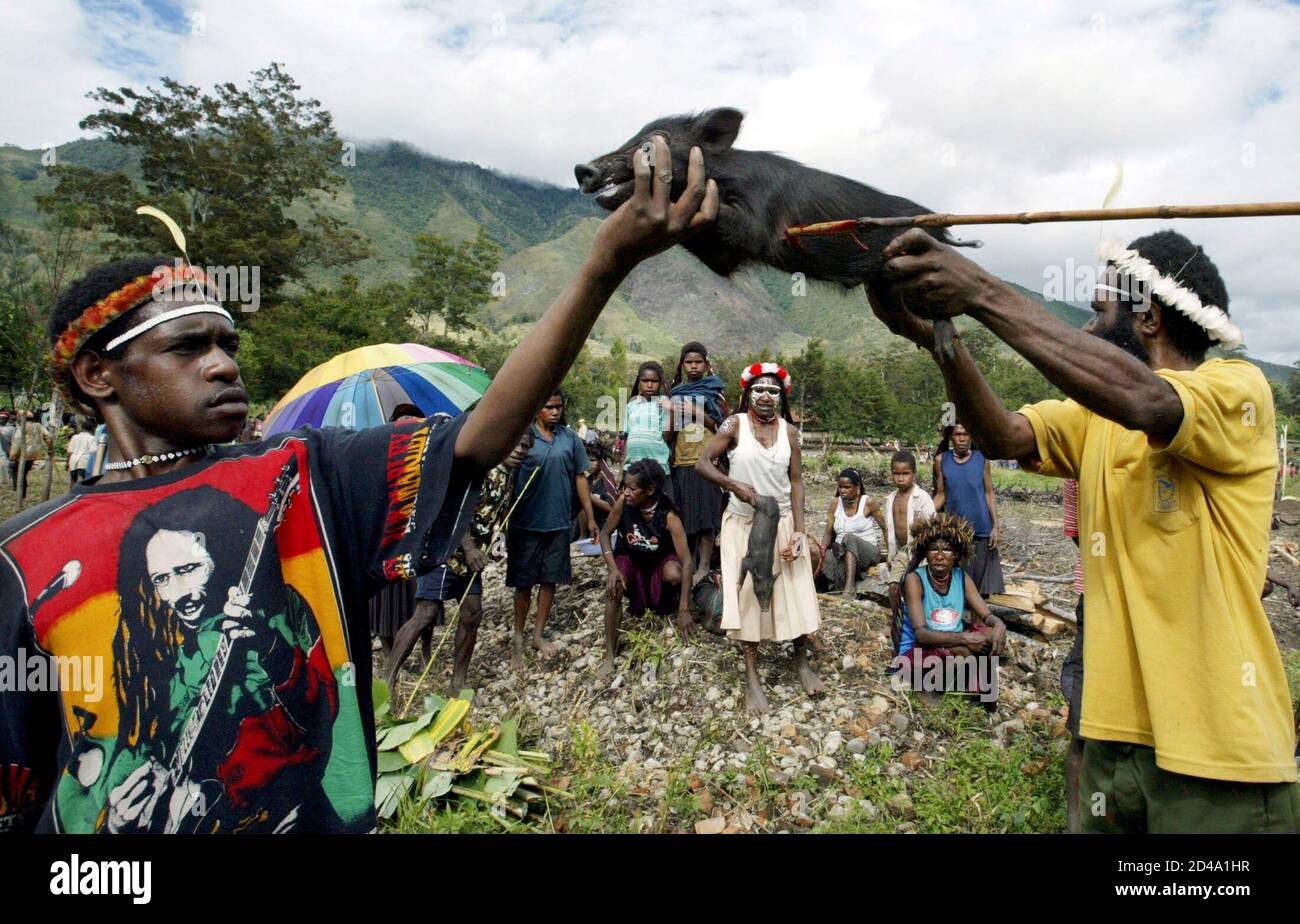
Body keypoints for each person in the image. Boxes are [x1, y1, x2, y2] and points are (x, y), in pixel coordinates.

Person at [0, 133, 719, 833]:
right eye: (188, 347)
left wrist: (602, 266)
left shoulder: (304, 473)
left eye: (228, 344)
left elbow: (478, 437)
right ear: (98, 375)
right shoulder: (26, 558)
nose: (223, 365)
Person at [868, 226, 1299, 832]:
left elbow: (1148, 403)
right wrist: (940, 338)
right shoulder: (1096, 416)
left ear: (1147, 319)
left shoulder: (1235, 389)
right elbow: (1002, 436)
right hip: (1112, 741)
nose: (1089, 328)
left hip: (1217, 752)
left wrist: (982, 291)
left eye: (1099, 312)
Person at [697, 362, 823, 715]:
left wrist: (799, 530)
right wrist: (733, 485)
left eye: (773, 391)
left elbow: (797, 482)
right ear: (747, 395)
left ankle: (801, 661)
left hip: (781, 521)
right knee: (750, 595)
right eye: (759, 391)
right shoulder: (733, 425)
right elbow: (703, 463)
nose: (766, 397)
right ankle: (752, 676)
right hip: (743, 522)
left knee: (795, 590)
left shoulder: (790, 433)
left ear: (781, 398)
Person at [389, 430, 534, 693]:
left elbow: (497, 517)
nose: (520, 451)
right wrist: (468, 547)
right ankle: (388, 679)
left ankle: (458, 683)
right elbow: (452, 510)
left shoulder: (511, 477)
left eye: (526, 447)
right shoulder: (481, 469)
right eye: (516, 444)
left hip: (473, 558)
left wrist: (498, 544)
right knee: (426, 614)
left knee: (472, 613)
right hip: (446, 549)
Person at [507, 389, 596, 668]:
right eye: (549, 407)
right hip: (525, 523)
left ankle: (537, 634)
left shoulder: (569, 439)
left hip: (558, 521)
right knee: (523, 583)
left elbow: (581, 478)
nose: (555, 412)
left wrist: (590, 517)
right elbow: (507, 476)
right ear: (537, 410)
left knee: (549, 581)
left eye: (558, 407)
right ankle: (518, 638)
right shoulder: (523, 438)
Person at [597, 459, 694, 677]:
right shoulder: (623, 502)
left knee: (674, 573)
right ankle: (610, 654)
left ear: (650, 490)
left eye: (632, 489)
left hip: (659, 562)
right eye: (625, 487)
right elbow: (604, 534)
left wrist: (684, 609)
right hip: (631, 559)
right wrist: (612, 568)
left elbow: (687, 562)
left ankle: (668, 603)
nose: (626, 492)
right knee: (613, 588)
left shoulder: (669, 515)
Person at [895, 513, 1005, 701]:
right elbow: (921, 634)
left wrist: (999, 625)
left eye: (946, 550)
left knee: (989, 638)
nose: (939, 556)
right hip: (920, 649)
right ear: (925, 554)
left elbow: (986, 615)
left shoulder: (961, 577)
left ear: (955, 555)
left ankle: (961, 687)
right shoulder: (915, 579)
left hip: (953, 643)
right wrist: (964, 638)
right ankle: (931, 687)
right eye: (933, 550)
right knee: (966, 653)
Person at [368, 405, 426, 667]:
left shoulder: (426, 455)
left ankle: (424, 650)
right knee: (386, 598)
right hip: (386, 538)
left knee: (422, 597)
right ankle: (390, 654)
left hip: (416, 535)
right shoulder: (378, 456)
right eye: (402, 422)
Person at [669, 341, 729, 581]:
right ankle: (690, 564)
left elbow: (723, 428)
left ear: (706, 364)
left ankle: (704, 565)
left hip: (707, 463)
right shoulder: (675, 394)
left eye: (698, 362)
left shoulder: (716, 392)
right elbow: (670, 434)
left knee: (706, 516)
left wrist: (696, 412)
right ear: (682, 365)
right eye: (689, 362)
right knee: (686, 516)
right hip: (682, 461)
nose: (693, 367)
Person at [933, 423, 1005, 596]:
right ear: (951, 437)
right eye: (958, 434)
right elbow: (941, 494)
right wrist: (922, 513)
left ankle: (978, 622)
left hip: (981, 528)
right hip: (955, 531)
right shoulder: (942, 460)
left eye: (966, 434)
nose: (962, 438)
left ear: (972, 436)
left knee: (980, 587)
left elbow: (989, 492)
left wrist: (995, 526)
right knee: (956, 582)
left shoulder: (982, 459)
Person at [883, 450, 936, 650]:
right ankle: (896, 621)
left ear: (914, 474)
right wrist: (891, 554)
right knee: (894, 587)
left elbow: (932, 529)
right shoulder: (891, 498)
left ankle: (922, 626)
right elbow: (890, 529)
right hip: (902, 552)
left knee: (920, 590)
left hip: (920, 552)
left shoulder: (922, 498)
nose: (900, 478)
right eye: (896, 473)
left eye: (905, 473)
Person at [1059, 477, 1087, 833]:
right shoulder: (1075, 474)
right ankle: (1077, 825)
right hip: (1097, 595)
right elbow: (1078, 532)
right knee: (1081, 726)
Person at [819, 467, 885, 599]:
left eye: (847, 487)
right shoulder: (835, 503)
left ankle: (849, 589)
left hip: (868, 551)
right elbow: (828, 532)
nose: (842, 490)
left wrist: (889, 554)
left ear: (857, 487)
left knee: (849, 538)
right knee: (819, 553)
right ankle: (829, 588)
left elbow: (886, 528)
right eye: (840, 487)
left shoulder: (868, 503)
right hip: (843, 551)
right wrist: (821, 550)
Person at [622, 361, 673, 490]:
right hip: (632, 468)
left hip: (658, 468)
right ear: (639, 382)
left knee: (660, 507)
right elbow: (628, 440)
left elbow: (667, 437)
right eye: (645, 381)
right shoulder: (631, 406)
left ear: (660, 383)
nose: (649, 385)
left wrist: (671, 411)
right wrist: (621, 470)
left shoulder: (665, 403)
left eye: (654, 381)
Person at [9, 410, 51, 503]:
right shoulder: (39, 426)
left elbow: (17, 443)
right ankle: (20, 493)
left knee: (19, 473)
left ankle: (20, 494)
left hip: (23, 454)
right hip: (35, 454)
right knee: (24, 473)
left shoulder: (21, 427)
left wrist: (12, 457)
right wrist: (50, 448)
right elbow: (49, 437)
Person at [66, 419, 97, 485]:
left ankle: (72, 493)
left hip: (73, 461)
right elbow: (93, 451)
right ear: (92, 429)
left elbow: (70, 451)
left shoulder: (74, 437)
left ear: (82, 428)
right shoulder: (92, 438)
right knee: (83, 481)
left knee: (73, 480)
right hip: (84, 462)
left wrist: (67, 463)